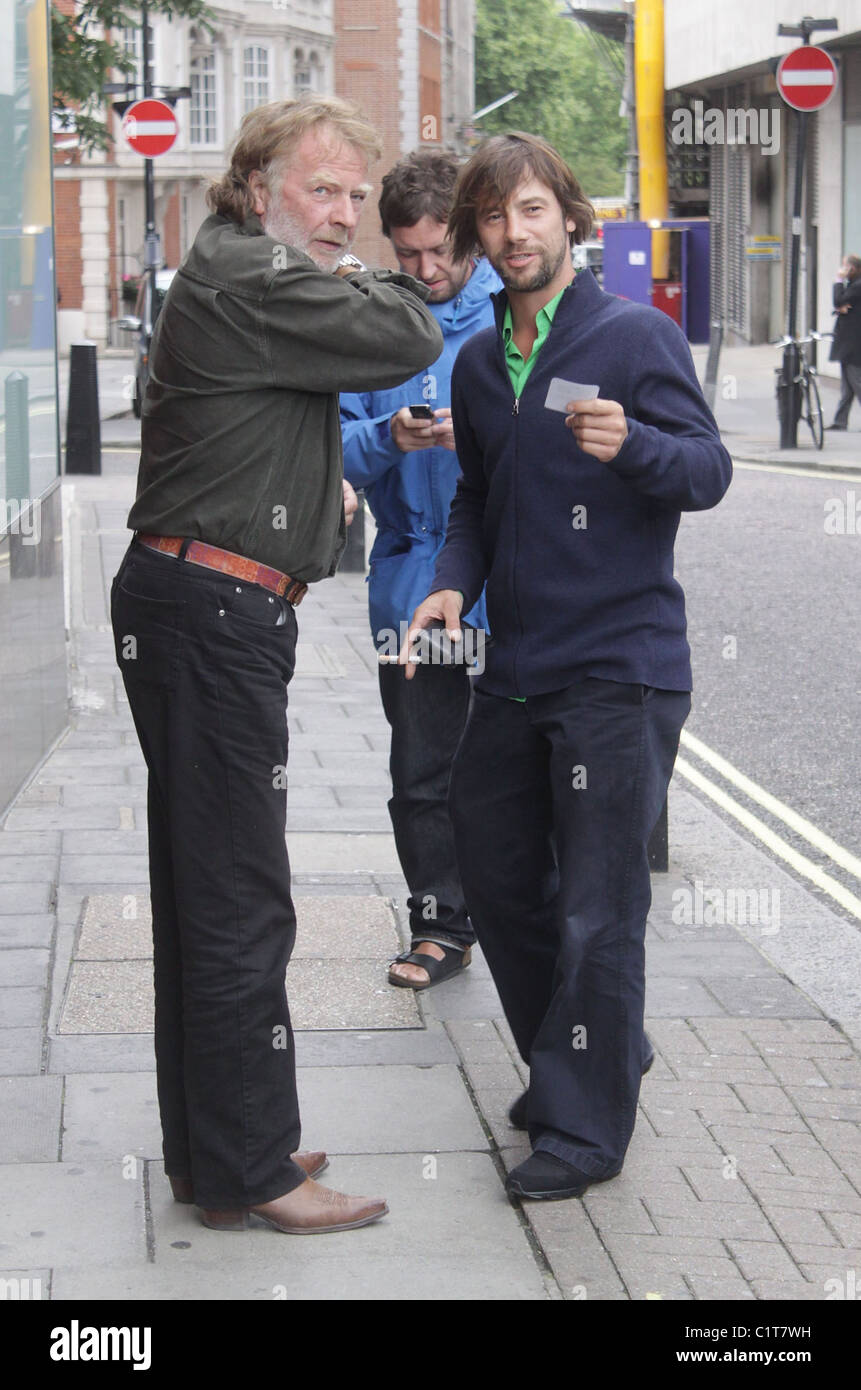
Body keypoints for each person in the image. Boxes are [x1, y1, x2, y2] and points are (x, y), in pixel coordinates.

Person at [111, 96, 443, 1235]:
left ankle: (220, 1148)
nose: (345, 215)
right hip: (213, 613)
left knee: (206, 890)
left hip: (194, 601)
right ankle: (257, 1169)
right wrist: (374, 275)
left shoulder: (242, 271)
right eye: (324, 190)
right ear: (258, 188)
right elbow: (409, 329)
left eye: (357, 194)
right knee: (243, 900)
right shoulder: (256, 273)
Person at [401, 132, 732, 1201]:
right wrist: (451, 581)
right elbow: (478, 500)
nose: (514, 234)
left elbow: (709, 471)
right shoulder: (477, 357)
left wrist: (632, 444)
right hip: (515, 664)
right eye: (494, 217)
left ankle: (585, 1129)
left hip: (619, 666)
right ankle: (589, 1050)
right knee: (496, 871)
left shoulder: (632, 335)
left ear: (570, 219)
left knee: (598, 907)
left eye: (532, 211)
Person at [340, 150, 501, 991]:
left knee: (513, 765)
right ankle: (439, 925)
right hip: (414, 589)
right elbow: (326, 443)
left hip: (508, 590)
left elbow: (569, 441)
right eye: (407, 254)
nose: (427, 271)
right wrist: (385, 439)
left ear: (468, 235)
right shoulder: (371, 324)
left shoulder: (514, 317)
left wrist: (476, 439)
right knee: (424, 765)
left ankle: (507, 916)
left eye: (441, 251)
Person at [825, 254, 861, 431]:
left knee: (857, 383)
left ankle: (840, 421)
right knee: (847, 387)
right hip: (848, 345)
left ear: (852, 269)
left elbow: (838, 300)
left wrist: (838, 280)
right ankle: (840, 421)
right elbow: (840, 304)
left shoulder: (857, 286)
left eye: (845, 267)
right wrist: (840, 308)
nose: (843, 270)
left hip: (853, 346)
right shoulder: (853, 285)